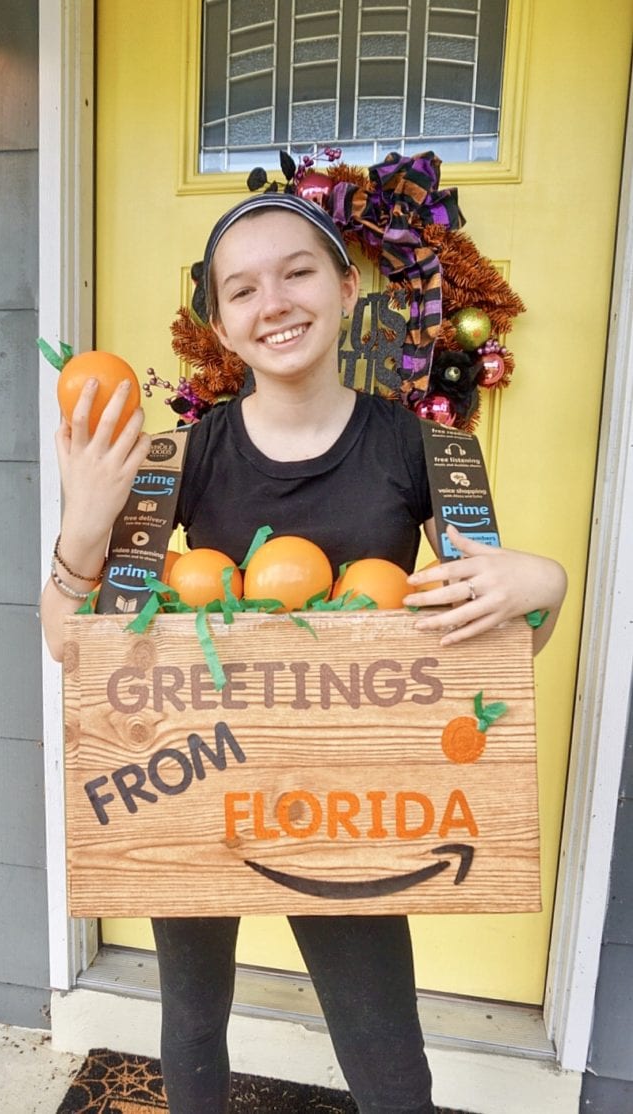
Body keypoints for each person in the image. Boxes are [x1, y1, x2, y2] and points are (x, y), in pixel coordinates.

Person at [41, 192, 567, 1114]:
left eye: (296, 273)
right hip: (199, 774)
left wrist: (545, 585)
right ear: (220, 325)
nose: (273, 303)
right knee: (191, 1021)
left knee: (385, 1051)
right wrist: (84, 525)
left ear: (345, 286)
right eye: (242, 290)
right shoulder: (177, 459)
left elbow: (492, 656)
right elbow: (71, 645)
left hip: (351, 797)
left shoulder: (425, 450)